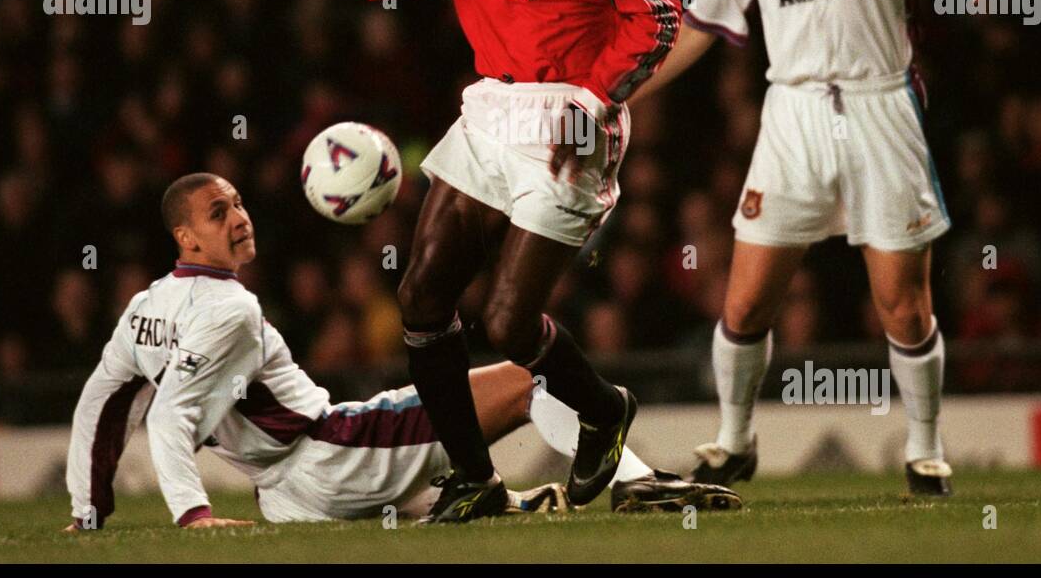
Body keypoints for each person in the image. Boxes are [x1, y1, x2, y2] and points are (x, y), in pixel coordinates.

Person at [634, 0, 1018, 496]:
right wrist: (625, 94)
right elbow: (704, 23)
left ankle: (927, 449)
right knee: (744, 301)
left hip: (880, 105)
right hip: (793, 115)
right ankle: (734, 440)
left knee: (902, 306)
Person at [338, 0, 682, 519]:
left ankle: (602, 409)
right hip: (491, 108)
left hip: (569, 117)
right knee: (421, 297)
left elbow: (658, 16)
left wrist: (593, 100)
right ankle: (473, 477)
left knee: (506, 323)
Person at [64, 174, 737, 531]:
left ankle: (515, 506)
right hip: (338, 449)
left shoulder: (144, 310)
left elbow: (106, 400)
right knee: (526, 381)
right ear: (185, 236)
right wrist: (194, 514)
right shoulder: (232, 308)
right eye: (219, 213)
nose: (240, 217)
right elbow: (167, 417)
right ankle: (635, 483)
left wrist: (89, 511)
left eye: (239, 204)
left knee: (454, 498)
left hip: (284, 497)